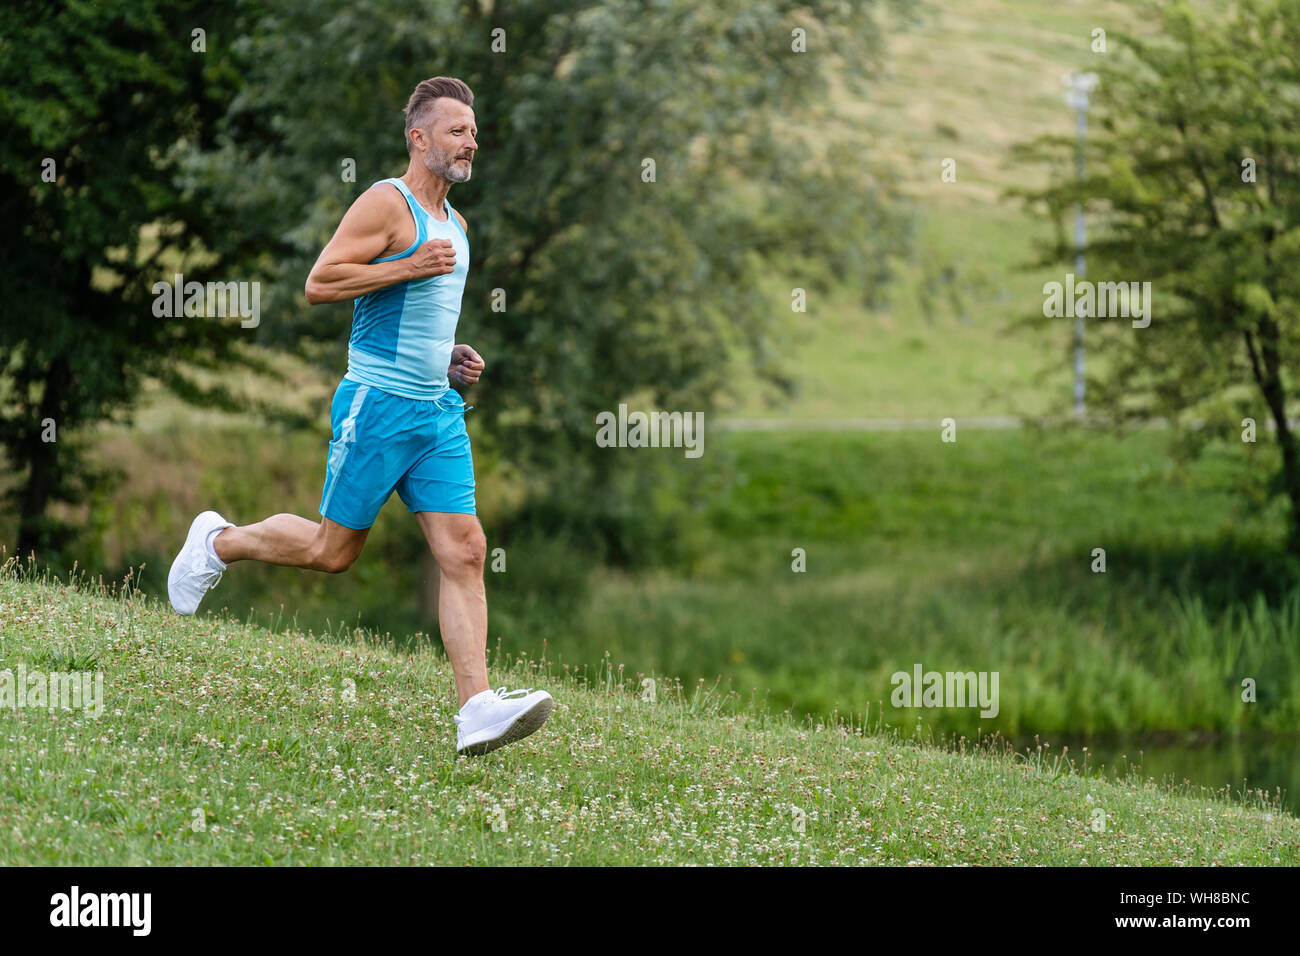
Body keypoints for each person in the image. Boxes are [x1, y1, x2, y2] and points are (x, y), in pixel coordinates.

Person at [166, 76, 553, 757]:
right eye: (457, 131)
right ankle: (218, 542)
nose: (471, 142)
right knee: (333, 552)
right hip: (377, 406)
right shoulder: (386, 202)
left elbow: (419, 318)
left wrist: (450, 358)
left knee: (466, 549)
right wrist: (406, 266)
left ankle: (476, 710)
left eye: (473, 131)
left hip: (436, 411)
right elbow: (320, 282)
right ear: (419, 138)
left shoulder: (457, 225)